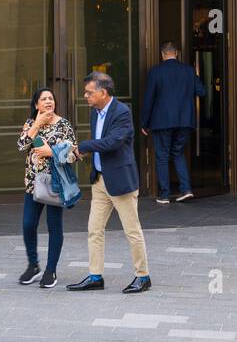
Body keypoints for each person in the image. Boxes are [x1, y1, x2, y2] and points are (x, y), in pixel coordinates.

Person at [66, 72, 151, 295]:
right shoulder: (95, 112)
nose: (85, 96)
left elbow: (113, 142)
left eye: (89, 92)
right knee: (94, 229)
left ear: (103, 92)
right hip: (100, 180)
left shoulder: (122, 112)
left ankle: (143, 277)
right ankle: (95, 276)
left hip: (121, 181)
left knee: (132, 231)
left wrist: (84, 146)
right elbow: (101, 143)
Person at [16, 87, 79, 289]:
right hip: (33, 184)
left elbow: (75, 154)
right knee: (28, 224)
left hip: (55, 185)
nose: (48, 102)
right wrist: (37, 124)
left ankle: (51, 270)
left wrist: (51, 152)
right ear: (36, 105)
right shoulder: (29, 123)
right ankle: (33, 265)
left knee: (54, 227)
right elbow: (21, 146)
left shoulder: (64, 125)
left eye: (51, 98)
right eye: (43, 99)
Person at [141, 40, 206, 203]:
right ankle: (186, 189)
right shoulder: (189, 71)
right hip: (185, 120)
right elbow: (202, 91)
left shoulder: (156, 72)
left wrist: (145, 123)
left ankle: (164, 195)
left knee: (162, 156)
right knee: (178, 153)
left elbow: (149, 99)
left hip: (161, 121)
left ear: (162, 55)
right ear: (176, 53)